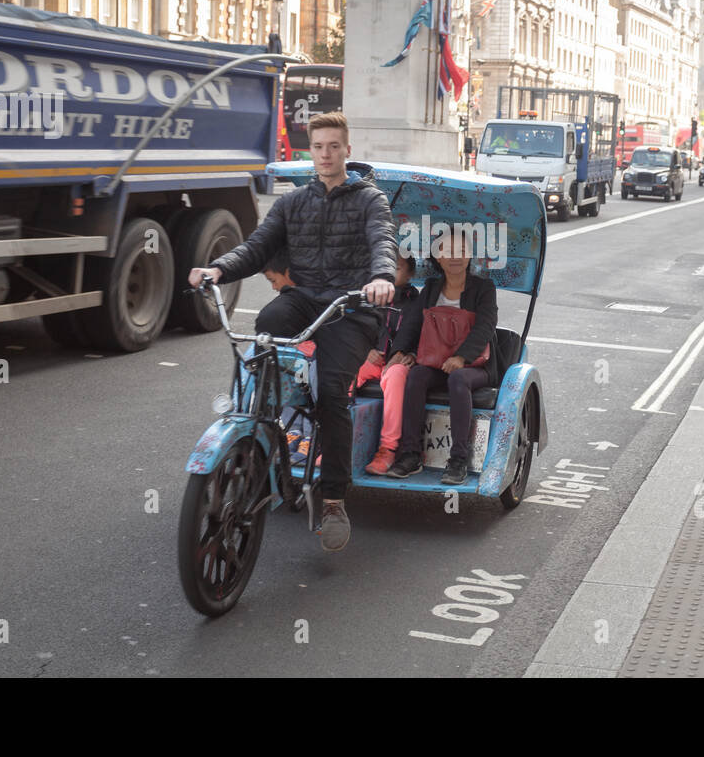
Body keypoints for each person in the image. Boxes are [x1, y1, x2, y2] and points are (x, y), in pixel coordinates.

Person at [188, 111, 396, 553]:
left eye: (333, 146)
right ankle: (253, 430)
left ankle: (334, 499)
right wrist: (218, 269)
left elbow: (383, 241)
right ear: (310, 151)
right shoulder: (292, 202)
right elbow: (257, 246)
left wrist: (381, 278)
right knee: (267, 325)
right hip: (306, 298)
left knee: (332, 394)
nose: (325, 154)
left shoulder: (370, 200)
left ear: (347, 151)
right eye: (318, 146)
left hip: (351, 307)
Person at [386, 231, 499, 486]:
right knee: (414, 376)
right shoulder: (431, 288)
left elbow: (486, 326)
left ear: (469, 255)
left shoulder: (483, 288)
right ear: (438, 256)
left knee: (458, 379)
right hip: (437, 361)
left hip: (474, 366)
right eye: (447, 251)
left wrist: (461, 357)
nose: (455, 257)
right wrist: (400, 352)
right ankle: (410, 454)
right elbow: (413, 323)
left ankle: (458, 458)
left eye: (461, 251)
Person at [359, 253, 420, 475]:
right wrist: (365, 351)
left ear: (411, 273)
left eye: (399, 268)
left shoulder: (416, 301)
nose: (392, 272)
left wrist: (412, 354)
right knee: (343, 375)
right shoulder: (370, 296)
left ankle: (387, 448)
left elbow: (420, 333)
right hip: (370, 359)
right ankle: (330, 440)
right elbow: (357, 327)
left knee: (396, 378)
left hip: (397, 362)